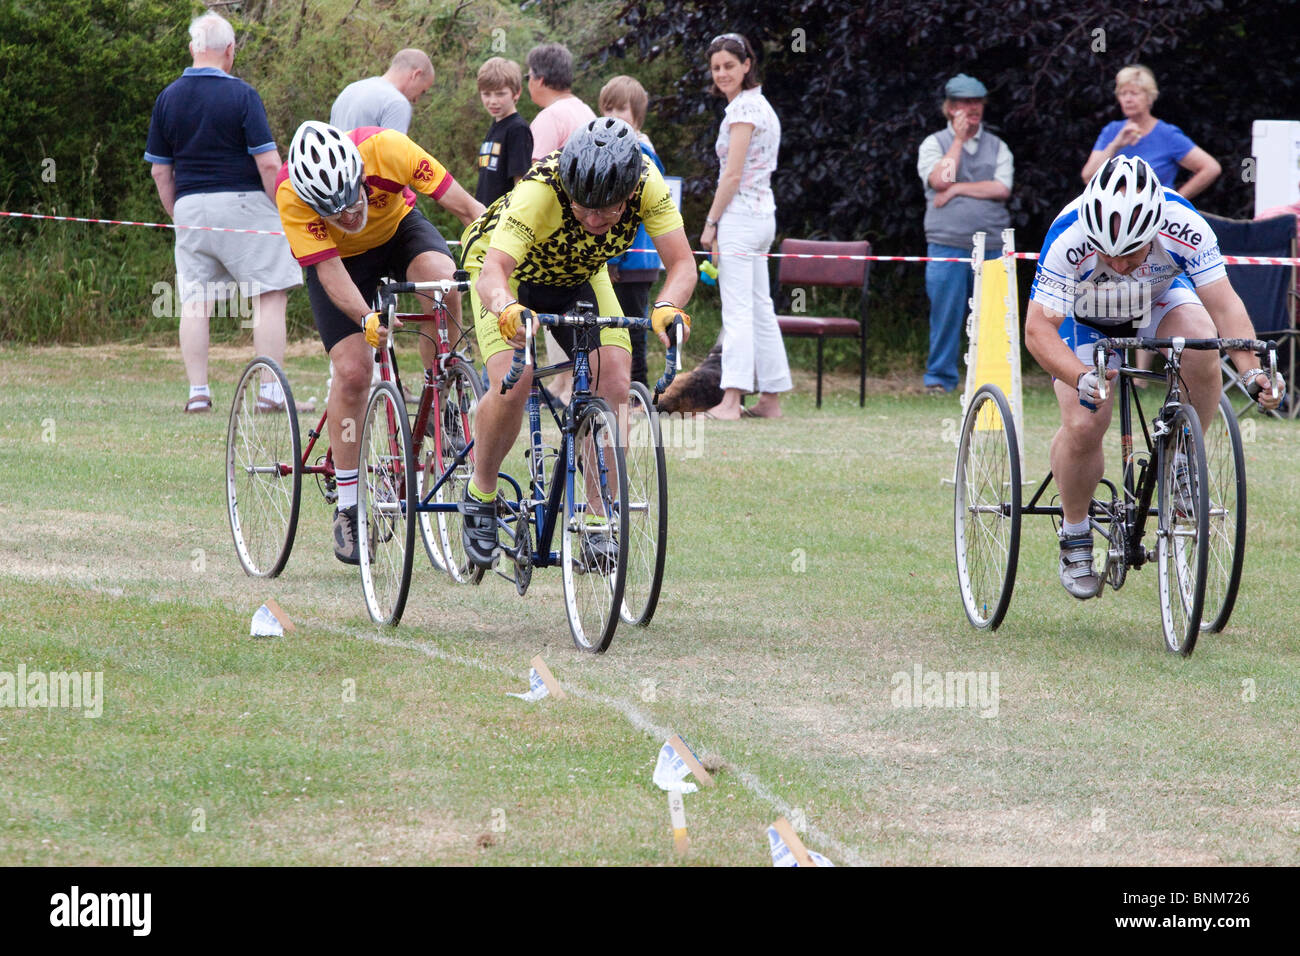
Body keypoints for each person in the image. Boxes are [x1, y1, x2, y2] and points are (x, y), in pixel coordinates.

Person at [1024, 156, 1285, 599]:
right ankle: (1075, 531)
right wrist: (1081, 376)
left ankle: (1183, 459)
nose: (1119, 264)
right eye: (1107, 253)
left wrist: (1253, 371)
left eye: (1130, 252)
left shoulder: (1184, 222)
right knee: (1087, 421)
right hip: (1088, 318)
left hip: (1157, 302)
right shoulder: (1068, 234)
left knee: (1201, 339)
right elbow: (1038, 329)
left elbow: (1225, 307)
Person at [457, 117, 695, 568]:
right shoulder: (539, 192)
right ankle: (480, 492)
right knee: (516, 378)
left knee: (616, 382)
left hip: (577, 274)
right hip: (508, 277)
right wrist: (507, 309)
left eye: (606, 210)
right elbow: (494, 273)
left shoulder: (648, 183)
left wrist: (667, 305)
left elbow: (682, 264)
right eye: (583, 207)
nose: (592, 218)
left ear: (629, 192)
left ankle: (598, 519)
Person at [276, 121, 483, 564]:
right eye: (334, 213)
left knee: (443, 286)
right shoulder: (290, 195)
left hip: (397, 231)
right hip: (340, 263)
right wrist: (366, 317)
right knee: (353, 371)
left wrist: (498, 272)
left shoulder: (387, 149)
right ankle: (349, 507)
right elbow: (328, 271)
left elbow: (469, 208)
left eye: (352, 200)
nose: (349, 216)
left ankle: (443, 393)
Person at [144, 12, 304, 414]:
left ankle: (198, 392)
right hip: (243, 203)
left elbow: (160, 170)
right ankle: (269, 392)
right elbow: (269, 164)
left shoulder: (167, 97)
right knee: (269, 294)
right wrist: (284, 211)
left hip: (190, 207)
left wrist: (178, 213)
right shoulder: (243, 95)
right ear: (230, 50)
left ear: (192, 48)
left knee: (196, 302)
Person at [698, 32, 790, 420]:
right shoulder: (761, 106)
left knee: (737, 311)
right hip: (762, 217)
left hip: (740, 218)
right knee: (759, 307)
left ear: (747, 65)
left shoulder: (742, 111)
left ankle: (731, 400)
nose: (722, 73)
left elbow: (731, 175)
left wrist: (710, 223)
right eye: (716, 67)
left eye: (729, 66)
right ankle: (770, 398)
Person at [916, 72, 1014, 395]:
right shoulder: (935, 143)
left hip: (993, 244)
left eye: (976, 103)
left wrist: (958, 189)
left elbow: (1001, 188)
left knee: (991, 319)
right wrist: (957, 142)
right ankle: (940, 380)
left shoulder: (998, 146)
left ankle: (989, 382)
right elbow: (941, 179)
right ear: (949, 109)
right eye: (963, 104)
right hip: (946, 243)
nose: (972, 109)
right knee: (946, 314)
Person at [599, 75, 666, 388]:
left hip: (633, 262)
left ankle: (637, 385)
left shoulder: (638, 154)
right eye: (607, 108)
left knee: (632, 325)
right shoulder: (609, 147)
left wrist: (613, 258)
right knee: (610, 324)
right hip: (617, 261)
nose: (613, 116)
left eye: (621, 109)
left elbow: (630, 215)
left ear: (637, 115)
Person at [1080, 65, 1221, 200]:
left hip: (1156, 218)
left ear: (1149, 97)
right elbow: (1088, 177)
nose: (1128, 99)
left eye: (1134, 93)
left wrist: (1174, 200)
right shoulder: (1111, 131)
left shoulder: (1167, 134)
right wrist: (1115, 145)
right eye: (1123, 94)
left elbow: (1211, 168)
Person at [329, 49, 435, 135]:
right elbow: (392, 157)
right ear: (416, 74)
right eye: (422, 91)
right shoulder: (396, 103)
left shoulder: (349, 90)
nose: (416, 100)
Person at [473, 57, 533, 207]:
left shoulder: (518, 129)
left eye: (500, 94)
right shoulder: (496, 125)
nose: (493, 101)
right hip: (484, 216)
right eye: (486, 94)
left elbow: (520, 182)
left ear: (516, 93)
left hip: (502, 219)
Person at [526, 43, 595, 162]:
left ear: (540, 80)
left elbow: (539, 174)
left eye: (528, 77)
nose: (528, 82)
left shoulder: (549, 118)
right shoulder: (586, 111)